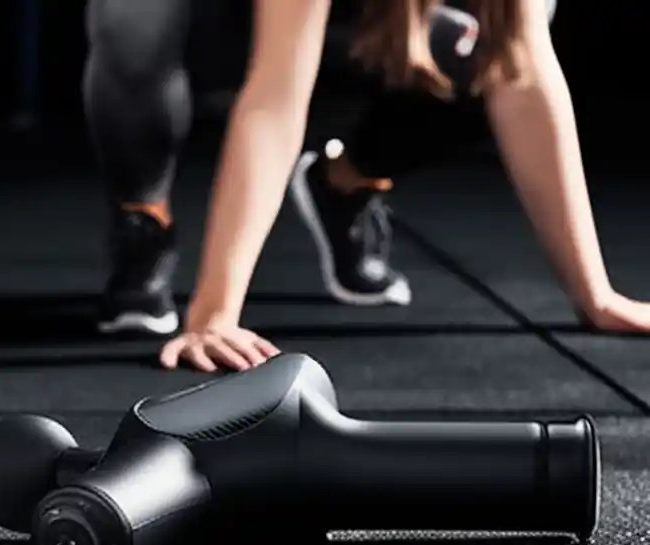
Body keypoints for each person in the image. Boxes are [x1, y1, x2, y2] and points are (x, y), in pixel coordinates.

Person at [86, 0, 650, 372]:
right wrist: (214, 314)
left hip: (362, 18)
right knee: (133, 19)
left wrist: (595, 296)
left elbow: (522, 69)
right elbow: (275, 100)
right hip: (215, 21)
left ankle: (343, 183)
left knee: (481, 45)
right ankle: (145, 218)